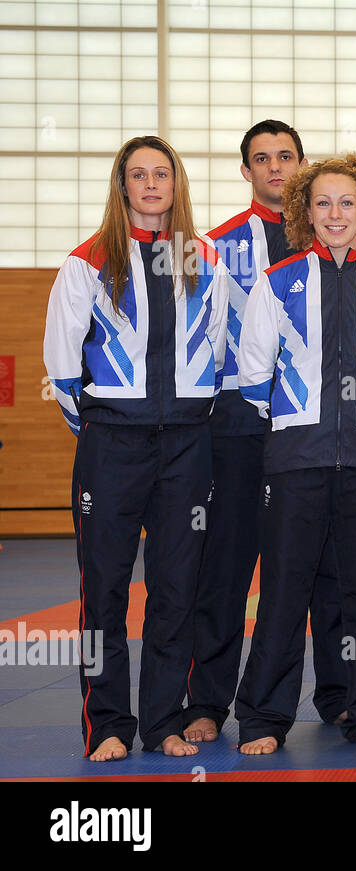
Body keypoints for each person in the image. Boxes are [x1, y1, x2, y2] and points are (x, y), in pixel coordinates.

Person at [43, 135, 233, 761]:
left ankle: (161, 722)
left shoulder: (206, 258)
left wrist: (185, 418)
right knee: (104, 590)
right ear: (121, 184)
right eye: (138, 174)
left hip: (187, 445)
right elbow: (62, 369)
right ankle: (108, 725)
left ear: (178, 184)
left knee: (177, 588)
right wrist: (105, 427)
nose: (151, 185)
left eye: (162, 174)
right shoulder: (88, 261)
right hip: (112, 445)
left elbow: (223, 353)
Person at [234, 153, 356, 754]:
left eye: (347, 202)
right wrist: (299, 431)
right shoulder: (277, 282)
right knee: (284, 591)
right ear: (304, 212)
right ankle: (264, 718)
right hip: (296, 461)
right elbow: (252, 376)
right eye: (323, 203)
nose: (335, 213)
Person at [184, 119, 349, 743]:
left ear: (304, 165)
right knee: (227, 566)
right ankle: (206, 701)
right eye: (262, 158)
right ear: (245, 170)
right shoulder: (215, 246)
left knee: (329, 568)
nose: (275, 168)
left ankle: (339, 695)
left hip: (322, 430)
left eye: (286, 157)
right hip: (241, 424)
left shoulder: (340, 237)